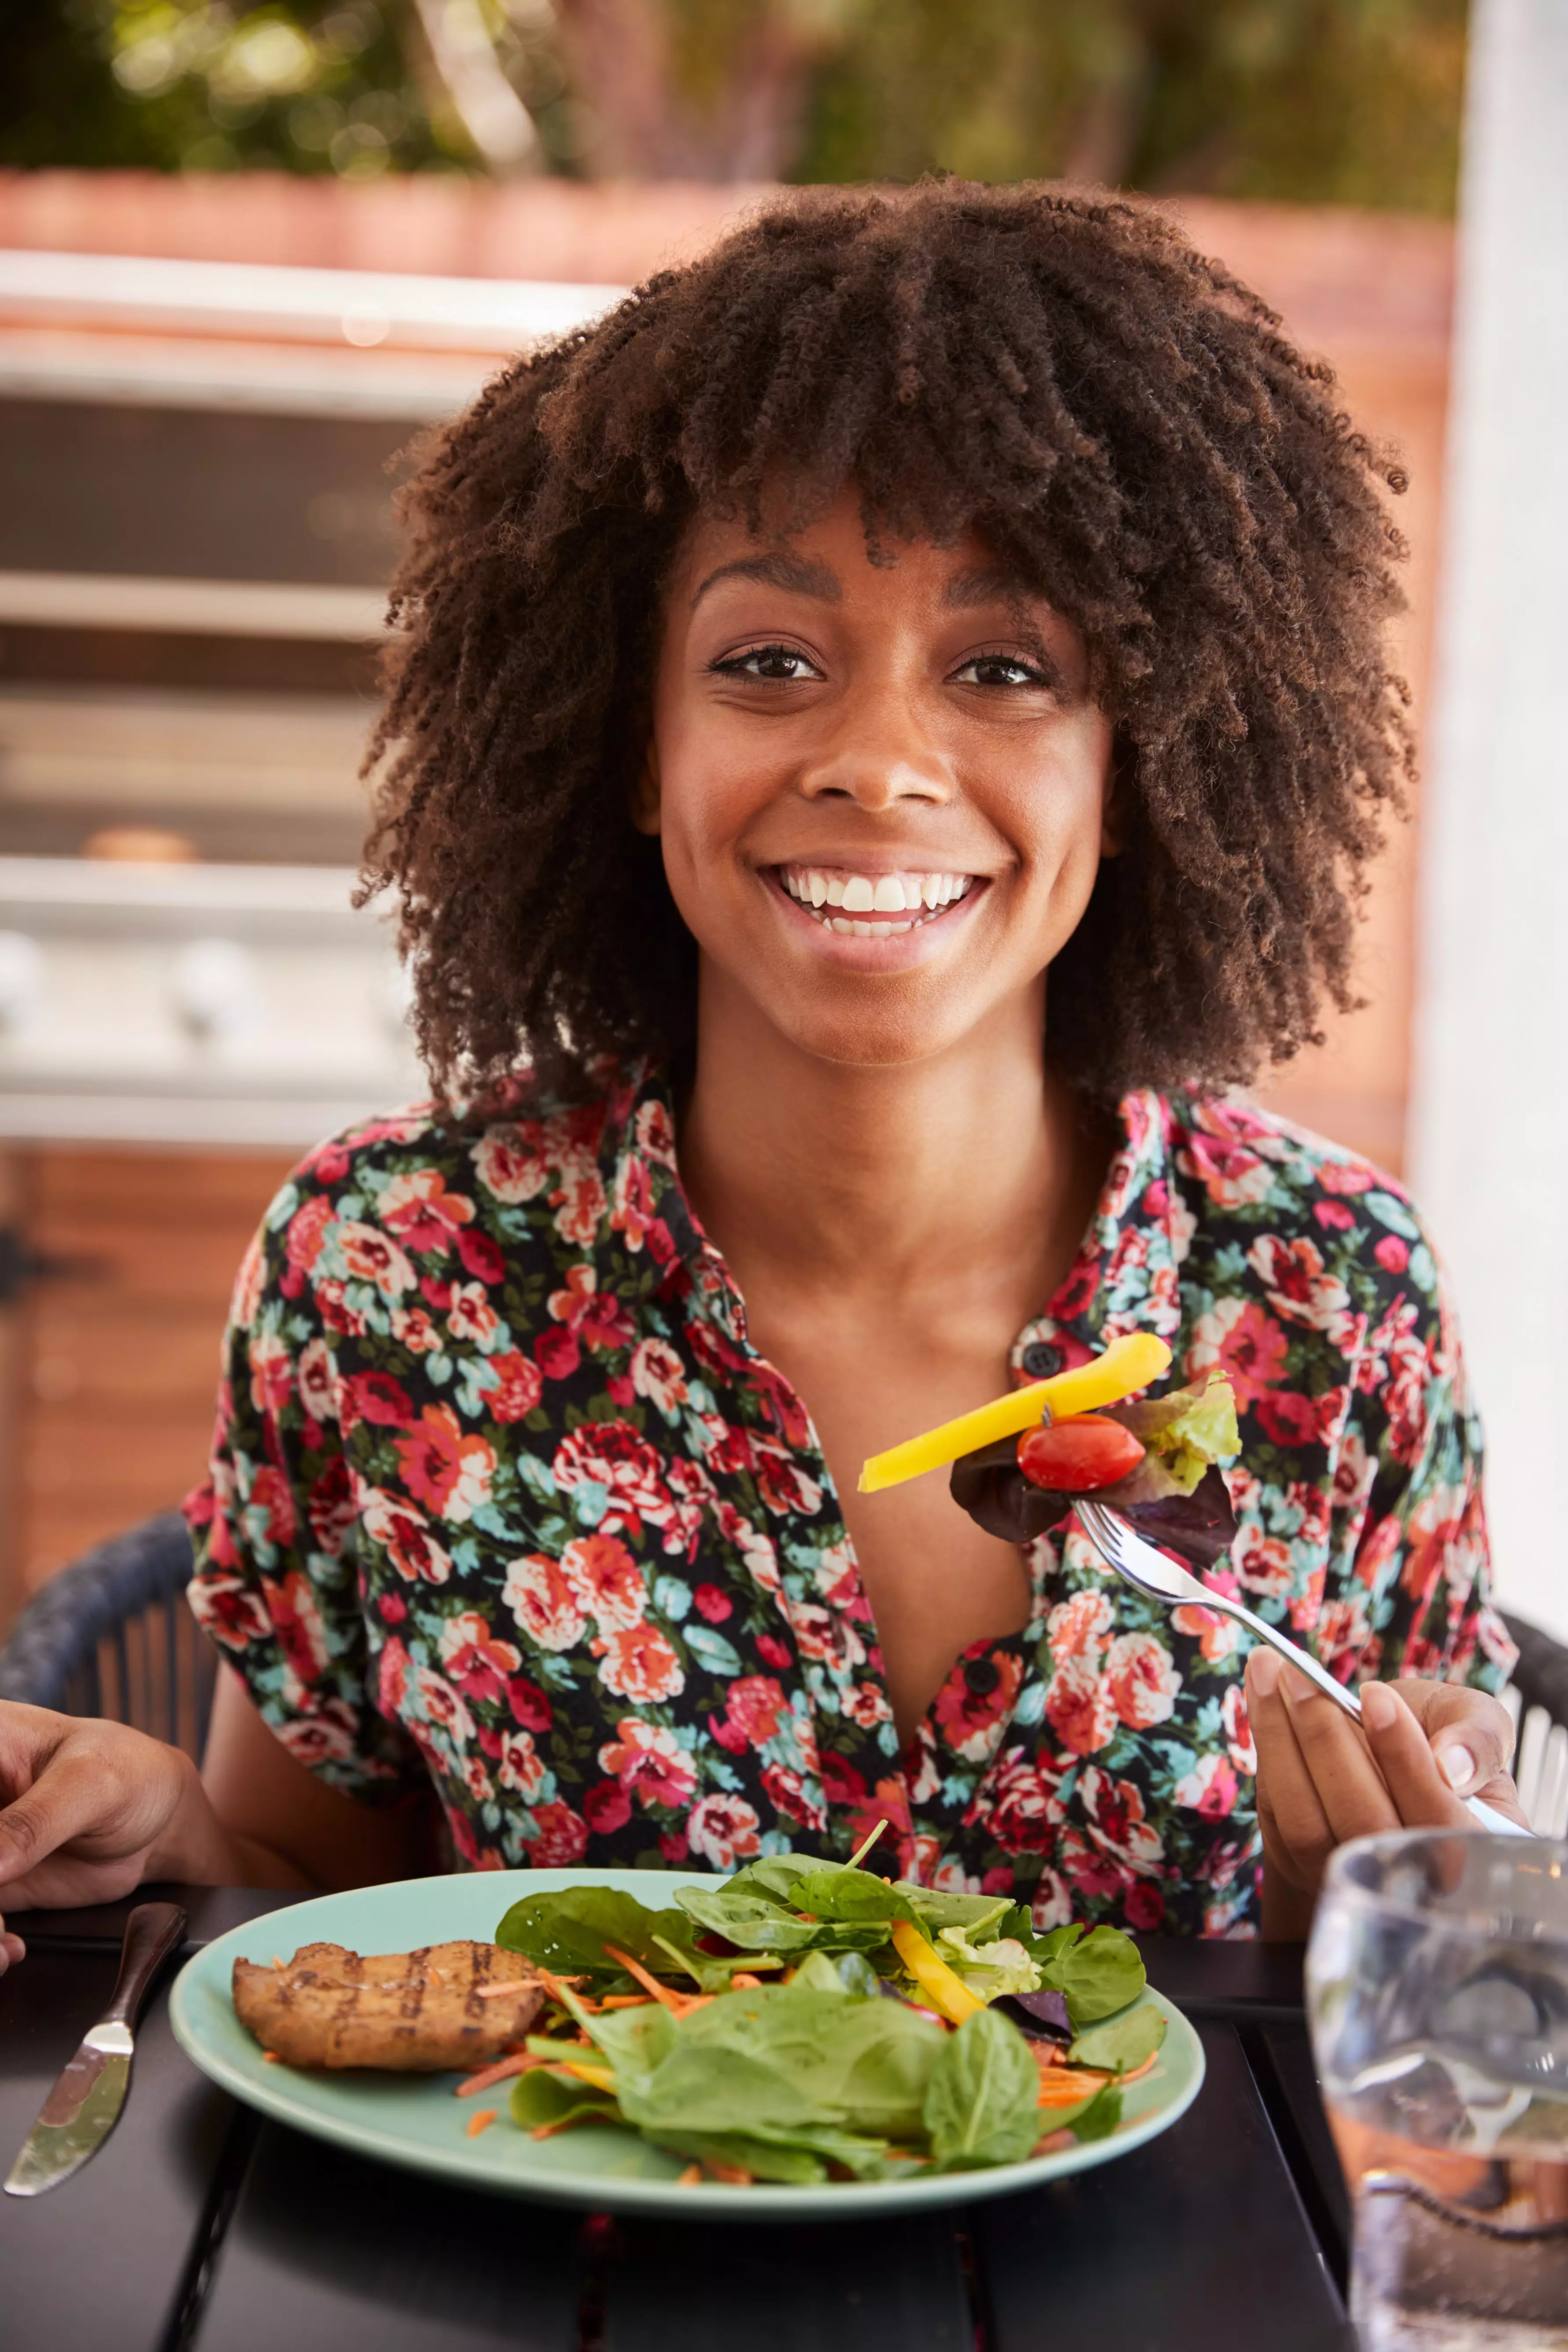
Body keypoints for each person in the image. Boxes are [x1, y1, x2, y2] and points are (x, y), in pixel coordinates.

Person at [0, 182, 1525, 1977]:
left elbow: (1460, 1978)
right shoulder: (396, 1263)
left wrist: (1360, 1910)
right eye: (771, 662)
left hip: (1157, 2254)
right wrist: (150, 1829)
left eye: (1007, 667)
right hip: (536, 2245)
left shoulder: (1330, 1293)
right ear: (636, 744)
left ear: (1140, 768)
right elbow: (302, 1878)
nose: (880, 760)